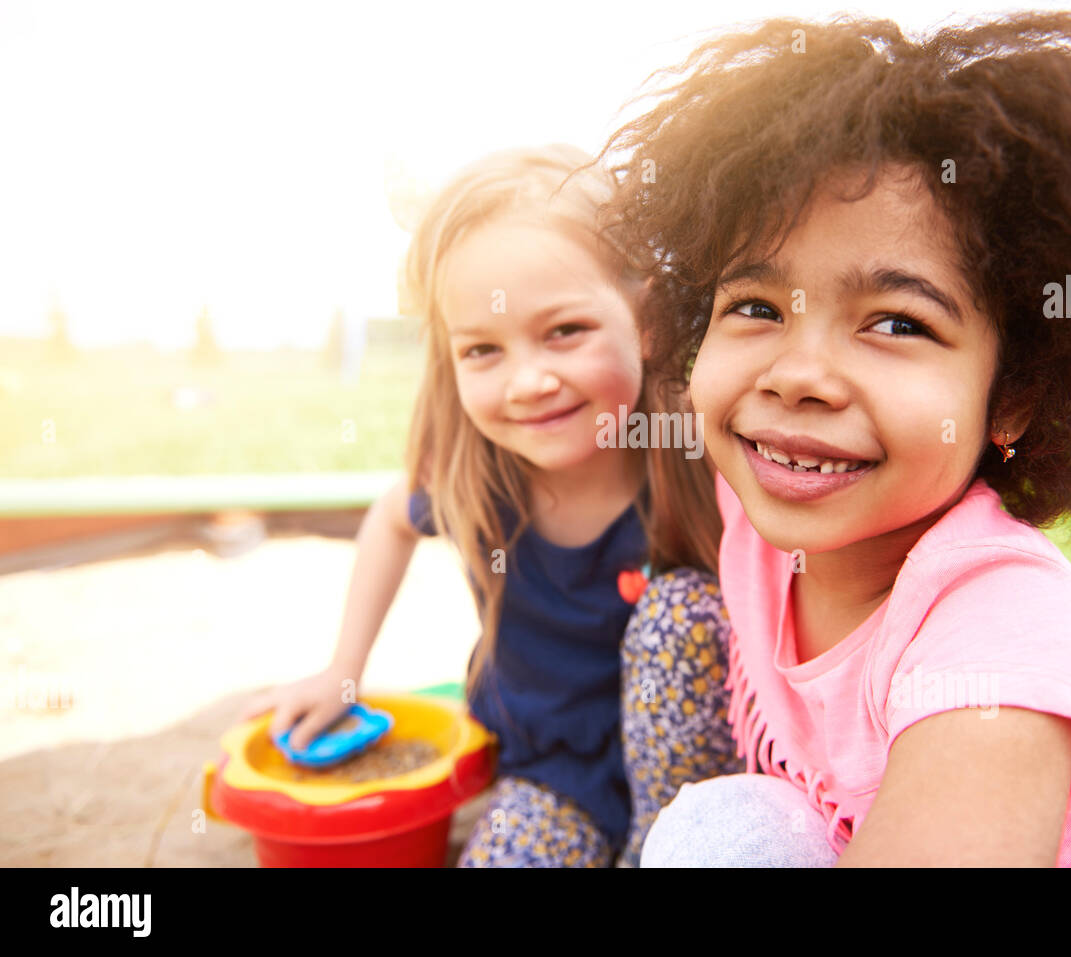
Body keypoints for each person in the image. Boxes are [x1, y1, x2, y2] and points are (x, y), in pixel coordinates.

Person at [597, 12, 1071, 866]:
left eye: (896, 321)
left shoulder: (996, 637)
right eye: (757, 307)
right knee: (733, 827)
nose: (796, 372)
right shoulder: (756, 496)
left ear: (1016, 396)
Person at [241, 145, 736, 867]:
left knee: (682, 610)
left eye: (565, 332)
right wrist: (344, 670)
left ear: (649, 318)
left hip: (686, 800)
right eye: (482, 350)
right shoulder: (481, 478)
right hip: (548, 778)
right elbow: (389, 519)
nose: (529, 380)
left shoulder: (695, 456)